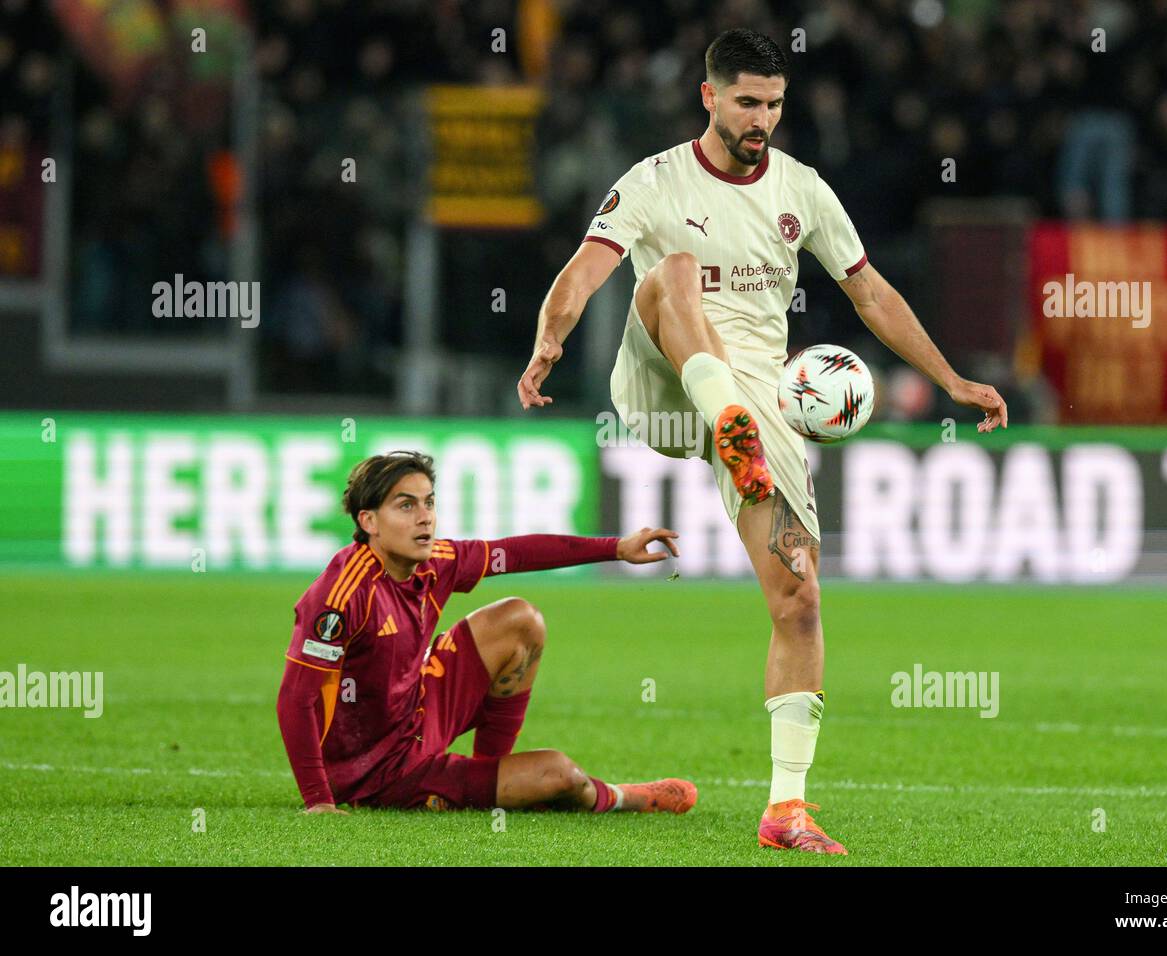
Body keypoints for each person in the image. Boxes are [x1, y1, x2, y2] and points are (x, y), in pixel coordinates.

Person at [517, 29, 1009, 854]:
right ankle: (723, 413)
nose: (762, 119)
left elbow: (872, 293)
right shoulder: (655, 180)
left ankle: (786, 808)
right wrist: (547, 340)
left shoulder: (803, 190)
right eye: (747, 101)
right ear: (709, 97)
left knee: (800, 596)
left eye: (774, 104)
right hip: (663, 384)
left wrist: (952, 378)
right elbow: (584, 268)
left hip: (755, 397)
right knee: (670, 272)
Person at [276, 450, 696, 817]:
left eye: (429, 503)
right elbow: (296, 699)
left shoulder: (434, 561)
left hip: (419, 710)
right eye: (406, 506)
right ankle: (622, 797)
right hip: (379, 770)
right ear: (368, 521)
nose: (425, 517)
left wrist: (615, 548)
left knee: (521, 620)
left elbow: (512, 552)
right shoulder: (341, 595)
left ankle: (491, 773)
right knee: (561, 775)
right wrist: (319, 800)